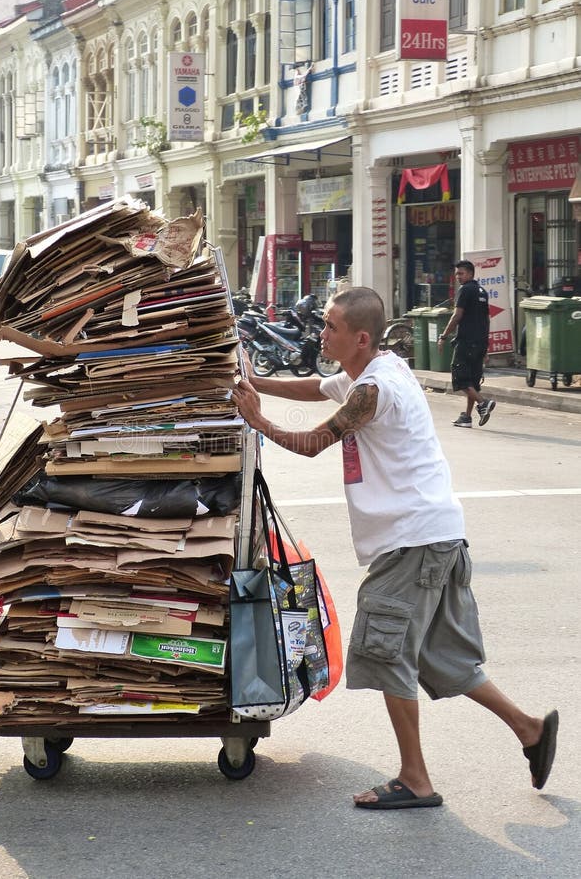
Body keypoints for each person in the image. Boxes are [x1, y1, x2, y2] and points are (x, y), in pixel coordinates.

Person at [232, 286, 558, 810]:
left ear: (360, 338)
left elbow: (316, 442)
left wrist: (259, 421)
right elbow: (321, 388)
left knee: (383, 652)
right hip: (432, 534)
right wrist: (256, 382)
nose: (322, 333)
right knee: (441, 657)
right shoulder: (375, 369)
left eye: (331, 327)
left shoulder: (376, 390)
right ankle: (530, 729)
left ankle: (416, 780)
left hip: (415, 540)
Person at [438, 260, 496, 428]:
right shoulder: (482, 292)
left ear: (470, 274)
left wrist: (443, 336)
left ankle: (483, 403)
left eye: (461, 273)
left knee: (460, 377)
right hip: (480, 343)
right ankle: (467, 417)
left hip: (466, 342)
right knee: (472, 381)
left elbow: (457, 316)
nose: (458, 277)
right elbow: (487, 320)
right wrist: (486, 346)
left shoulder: (465, 290)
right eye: (456, 274)